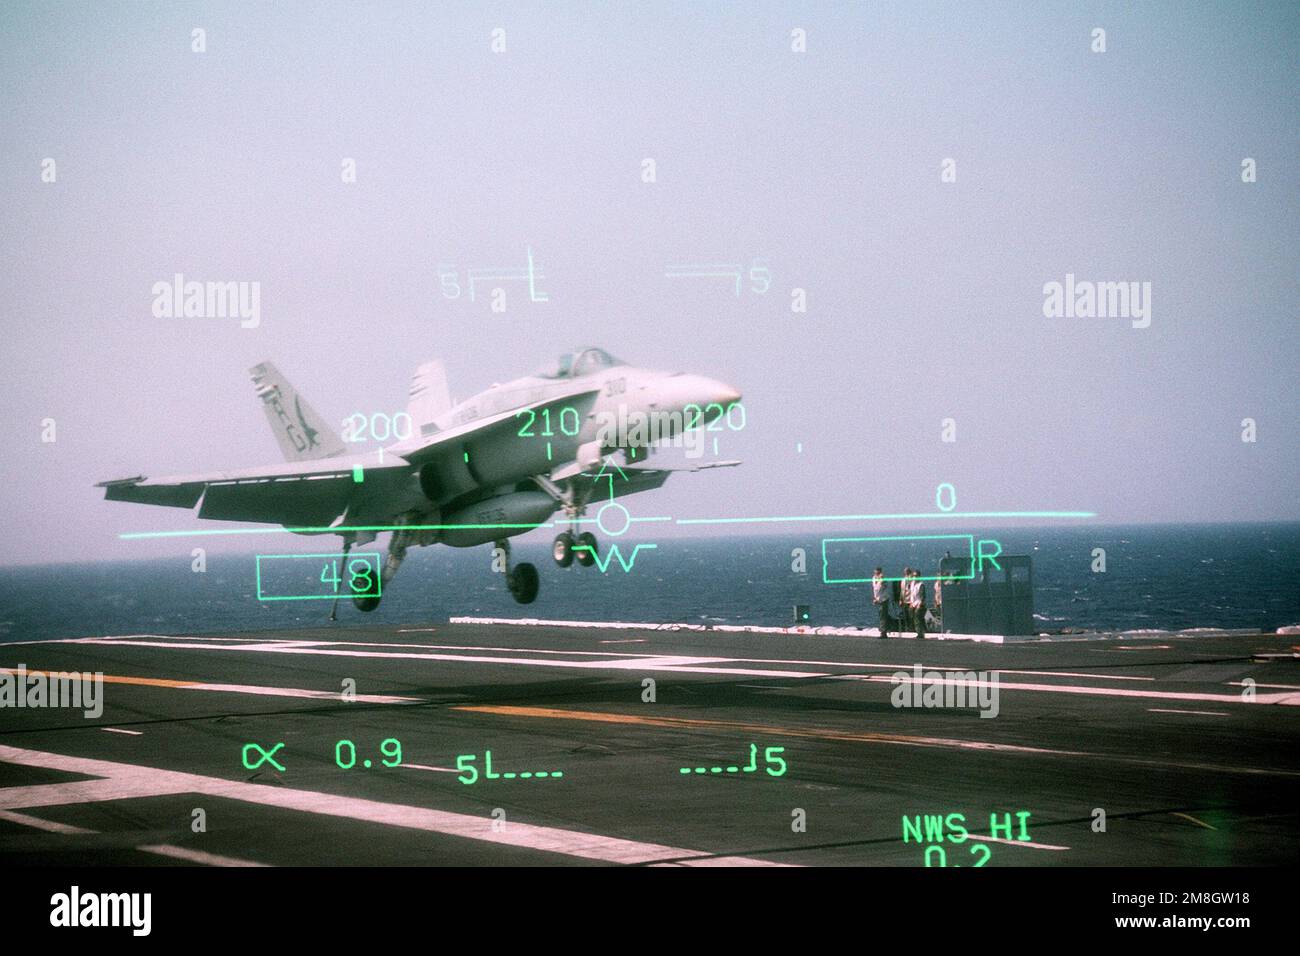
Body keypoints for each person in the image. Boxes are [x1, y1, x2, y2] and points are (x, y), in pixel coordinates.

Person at [871, 567, 890, 638]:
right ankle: (883, 630)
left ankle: (883, 632)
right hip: (878, 600)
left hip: (883, 599)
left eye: (878, 573)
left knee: (883, 615)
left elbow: (882, 588)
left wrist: (881, 579)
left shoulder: (883, 579)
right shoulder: (873, 579)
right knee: (881, 615)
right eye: (876, 572)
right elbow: (875, 590)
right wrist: (875, 599)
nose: (876, 574)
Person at [909, 571, 927, 639]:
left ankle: (920, 633)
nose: (914, 577)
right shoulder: (912, 584)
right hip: (914, 604)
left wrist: (920, 604)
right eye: (913, 576)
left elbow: (922, 596)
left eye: (916, 576)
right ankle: (920, 632)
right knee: (915, 618)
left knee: (918, 618)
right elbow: (912, 594)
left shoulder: (921, 585)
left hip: (919, 604)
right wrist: (911, 603)